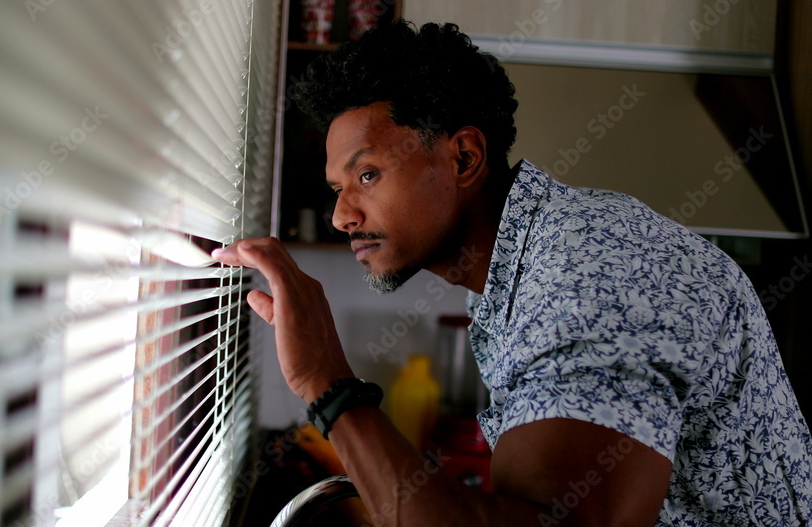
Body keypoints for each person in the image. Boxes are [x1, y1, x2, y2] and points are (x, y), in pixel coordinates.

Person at [212, 20, 812, 526]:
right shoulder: (522, 267)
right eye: (338, 189)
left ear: (464, 158)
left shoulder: (585, 271)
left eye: (367, 175)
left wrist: (325, 379)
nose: (343, 215)